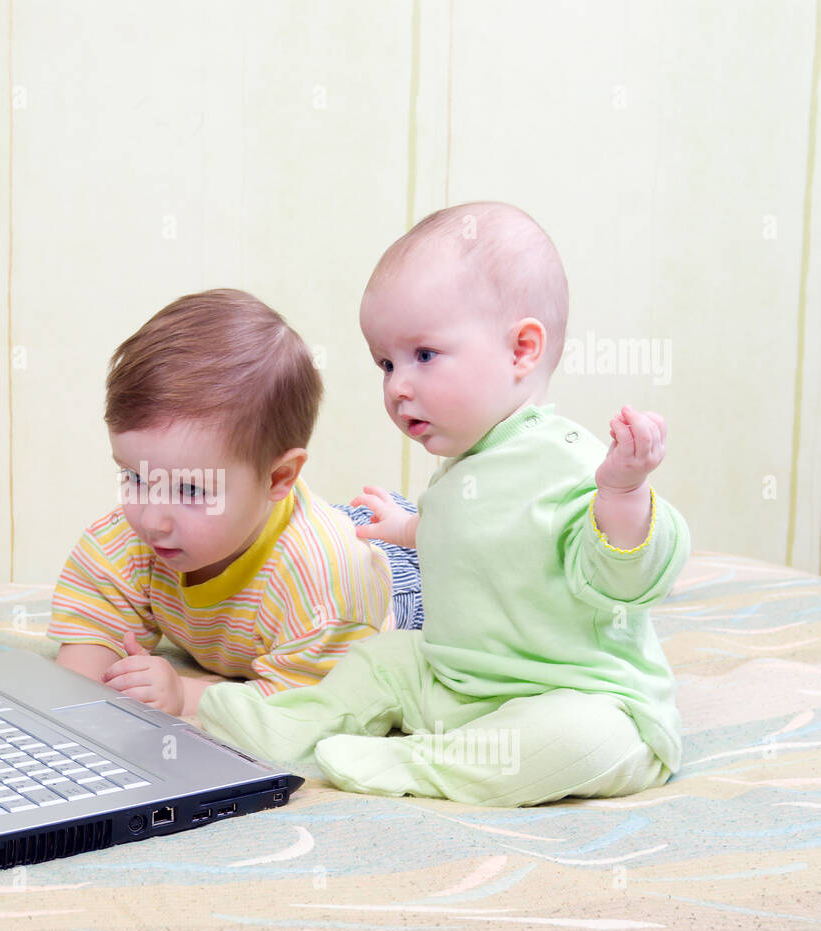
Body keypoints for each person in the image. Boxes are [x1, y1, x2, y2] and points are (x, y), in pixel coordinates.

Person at [196, 202, 691, 807]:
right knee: (381, 658)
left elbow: (623, 572)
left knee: (579, 739)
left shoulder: (569, 463)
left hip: (576, 693)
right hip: (458, 681)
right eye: (385, 363)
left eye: (423, 356)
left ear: (521, 350)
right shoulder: (470, 464)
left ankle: (423, 763)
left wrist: (624, 492)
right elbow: (479, 538)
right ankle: (291, 723)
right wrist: (407, 528)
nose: (397, 385)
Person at [47, 288, 415, 719]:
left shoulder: (327, 586)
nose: (151, 518)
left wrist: (189, 697)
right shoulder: (126, 542)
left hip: (398, 576)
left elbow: (311, 707)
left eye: (189, 490)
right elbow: (85, 656)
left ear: (278, 477)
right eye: (136, 478)